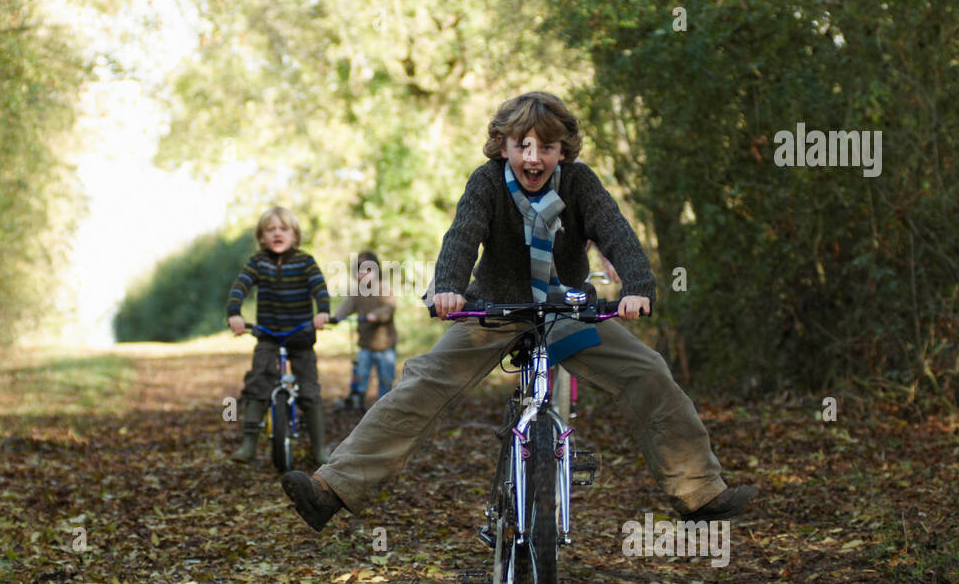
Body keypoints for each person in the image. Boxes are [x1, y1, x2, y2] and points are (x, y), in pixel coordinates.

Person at [280, 91, 757, 530]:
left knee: (648, 370)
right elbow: (462, 236)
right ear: (502, 145)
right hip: (494, 311)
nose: (534, 157)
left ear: (563, 151)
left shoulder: (581, 183)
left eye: (546, 147)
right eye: (522, 145)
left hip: (564, 311)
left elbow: (616, 232)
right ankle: (332, 488)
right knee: (423, 380)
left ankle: (698, 493)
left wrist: (638, 287)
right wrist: (447, 288)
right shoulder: (487, 183)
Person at [227, 206, 331, 464]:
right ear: (261, 237)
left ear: (294, 235)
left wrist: (323, 312)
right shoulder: (257, 262)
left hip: (301, 335)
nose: (277, 234)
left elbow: (320, 289)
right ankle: (248, 445)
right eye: (270, 229)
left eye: (283, 229)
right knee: (258, 383)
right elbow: (240, 286)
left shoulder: (306, 262)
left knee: (309, 389)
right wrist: (234, 313)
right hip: (269, 335)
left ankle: (319, 450)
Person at [330, 251, 398, 407]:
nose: (363, 274)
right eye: (359, 270)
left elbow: (389, 308)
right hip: (365, 345)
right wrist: (335, 318)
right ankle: (359, 402)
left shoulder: (384, 288)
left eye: (368, 269)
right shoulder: (357, 292)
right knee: (361, 375)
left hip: (385, 346)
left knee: (386, 378)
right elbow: (345, 307)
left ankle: (384, 406)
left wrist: (376, 315)